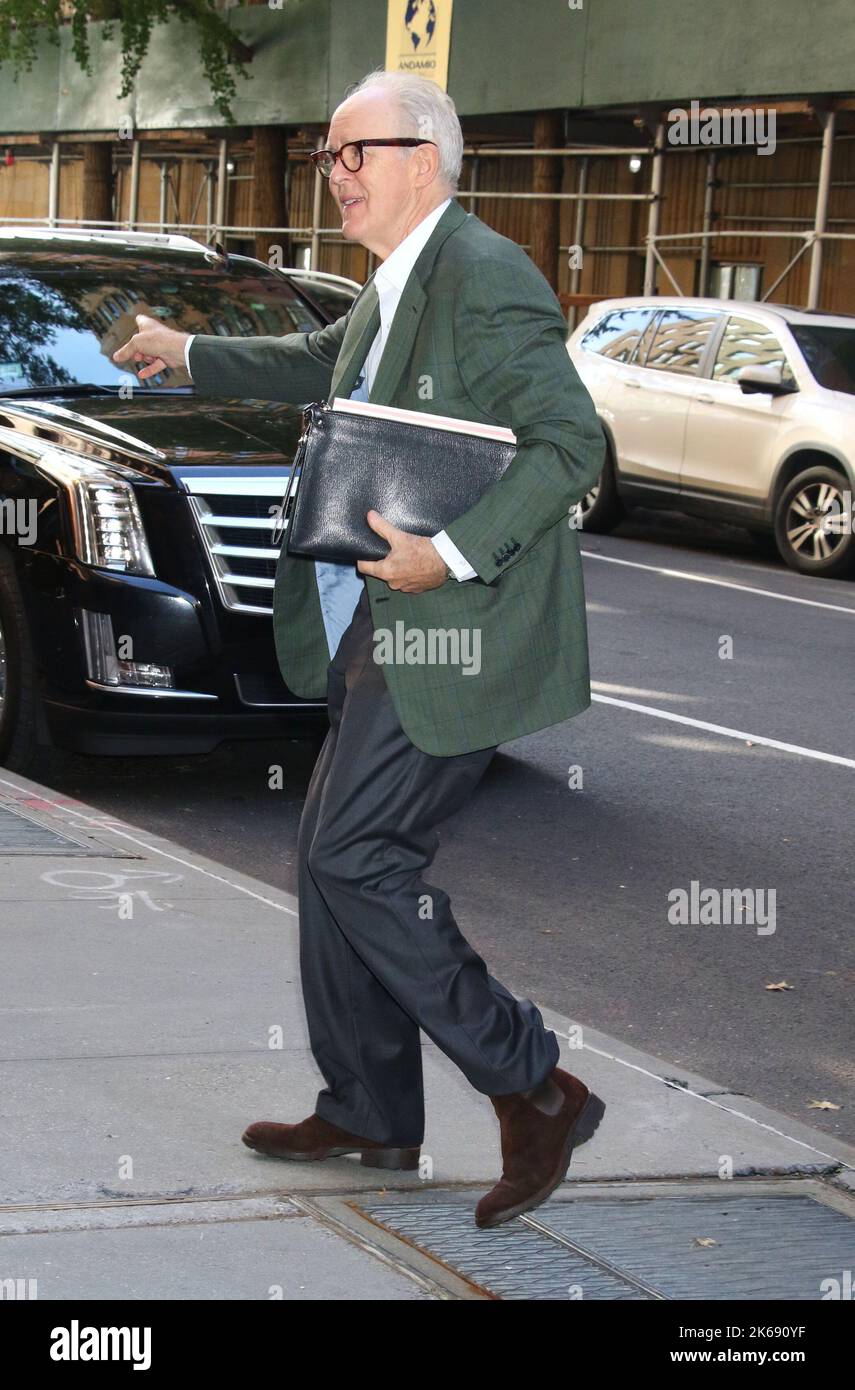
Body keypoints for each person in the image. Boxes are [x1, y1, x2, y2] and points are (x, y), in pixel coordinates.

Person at [113, 69, 607, 1229]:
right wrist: (187, 350)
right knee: (329, 861)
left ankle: (534, 1082)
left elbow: (571, 443)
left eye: (352, 155)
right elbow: (314, 361)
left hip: (447, 630)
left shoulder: (484, 277)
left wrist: (456, 553)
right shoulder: (399, 285)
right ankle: (373, 1109)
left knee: (357, 860)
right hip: (375, 627)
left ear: (421, 158)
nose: (333, 175)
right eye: (331, 157)